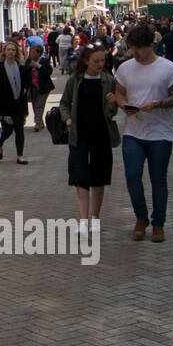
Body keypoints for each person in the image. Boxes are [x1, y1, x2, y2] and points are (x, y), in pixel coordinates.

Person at [112, 23, 173, 242]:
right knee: (132, 175)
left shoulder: (169, 68)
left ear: (151, 45)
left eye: (139, 48)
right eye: (132, 48)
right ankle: (141, 218)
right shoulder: (125, 68)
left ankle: (158, 223)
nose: (135, 53)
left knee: (158, 179)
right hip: (133, 131)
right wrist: (124, 106)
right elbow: (119, 93)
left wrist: (159, 103)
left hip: (161, 132)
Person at [59, 42, 120, 228]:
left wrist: (112, 104)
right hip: (79, 135)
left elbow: (112, 113)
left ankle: (95, 217)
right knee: (80, 177)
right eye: (96, 61)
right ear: (86, 60)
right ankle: (83, 221)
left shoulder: (108, 80)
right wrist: (68, 120)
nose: (100, 64)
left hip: (101, 134)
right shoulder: (75, 80)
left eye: (102, 60)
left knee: (99, 177)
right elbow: (64, 103)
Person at [0, 40, 30, 164]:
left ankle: (20, 156)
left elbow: (27, 82)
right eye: (8, 50)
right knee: (8, 129)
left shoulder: (22, 68)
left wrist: (25, 89)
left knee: (19, 129)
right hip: (4, 104)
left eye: (13, 50)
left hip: (19, 103)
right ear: (4, 52)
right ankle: (0, 143)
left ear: (16, 52)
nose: (11, 52)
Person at [26, 43, 54, 130]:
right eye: (31, 52)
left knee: (40, 105)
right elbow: (24, 72)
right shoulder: (29, 61)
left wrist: (39, 66)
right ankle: (40, 122)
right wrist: (29, 68)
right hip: (33, 87)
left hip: (44, 87)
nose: (31, 54)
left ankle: (37, 123)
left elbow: (49, 72)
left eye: (33, 53)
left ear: (39, 53)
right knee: (34, 105)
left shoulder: (44, 61)